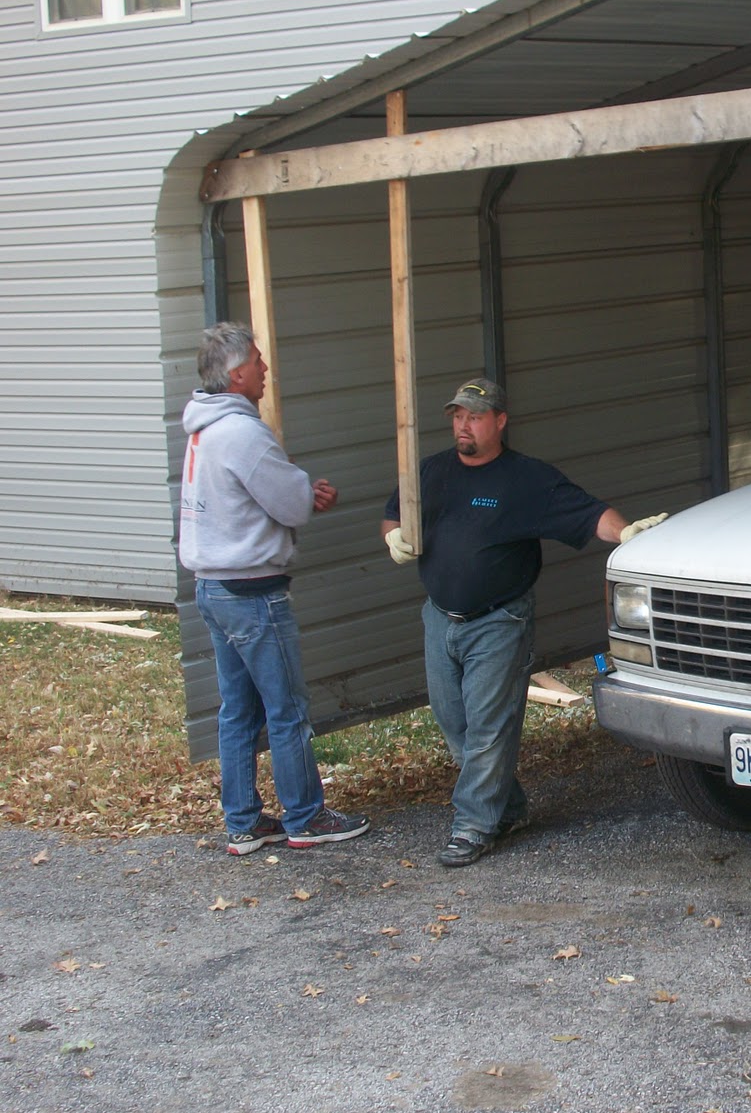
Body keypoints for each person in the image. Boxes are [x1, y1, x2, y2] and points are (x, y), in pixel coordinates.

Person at [382, 377, 666, 868]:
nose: (462, 425)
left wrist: (627, 533)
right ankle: (507, 808)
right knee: (455, 723)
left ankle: (472, 826)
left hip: (498, 621)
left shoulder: (526, 480)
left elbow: (587, 513)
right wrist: (393, 537)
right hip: (439, 618)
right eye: (457, 415)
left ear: (499, 421)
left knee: (489, 729)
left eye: (473, 416)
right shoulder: (432, 473)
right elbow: (393, 513)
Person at [178, 323, 371, 855]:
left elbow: (261, 496)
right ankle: (306, 817)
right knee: (286, 709)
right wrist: (306, 494)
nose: (266, 370)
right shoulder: (242, 432)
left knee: (237, 711)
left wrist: (299, 491)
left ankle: (243, 822)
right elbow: (289, 505)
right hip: (252, 593)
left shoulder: (203, 427)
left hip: (213, 587)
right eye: (258, 362)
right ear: (237, 374)